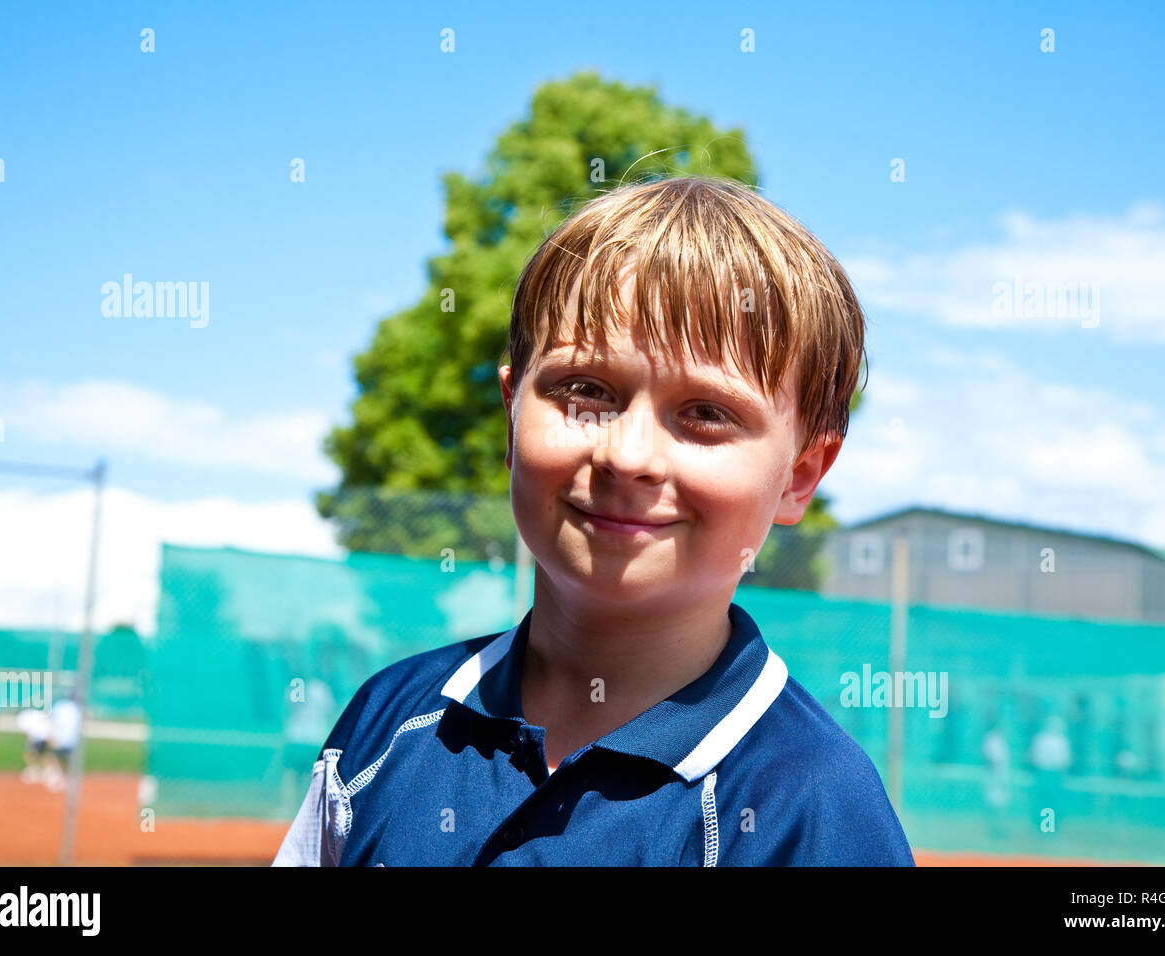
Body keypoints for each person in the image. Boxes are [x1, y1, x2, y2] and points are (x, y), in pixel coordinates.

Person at [274, 176, 914, 866]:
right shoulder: (387, 721)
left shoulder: (816, 813)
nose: (627, 455)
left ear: (800, 477)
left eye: (706, 413)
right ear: (511, 412)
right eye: (585, 391)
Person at [43, 692, 82, 792]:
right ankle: (65, 779)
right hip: (72, 741)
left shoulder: (60, 706)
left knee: (50, 756)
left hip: (60, 738)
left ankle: (56, 777)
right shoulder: (78, 709)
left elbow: (52, 720)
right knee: (65, 760)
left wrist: (50, 736)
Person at [17, 707, 51, 784]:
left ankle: (36, 771)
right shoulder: (33, 714)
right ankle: (45, 771)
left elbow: (27, 731)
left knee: (31, 755)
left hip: (38, 737)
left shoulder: (23, 718)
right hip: (43, 735)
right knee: (42, 755)